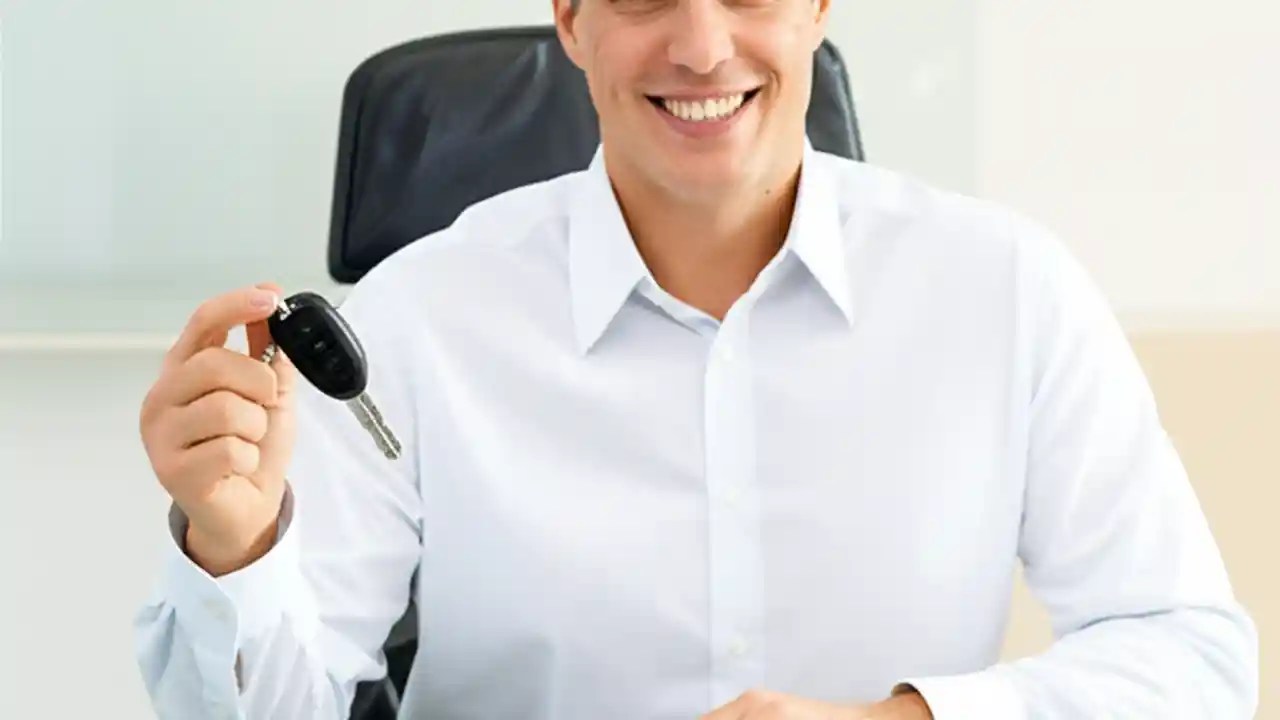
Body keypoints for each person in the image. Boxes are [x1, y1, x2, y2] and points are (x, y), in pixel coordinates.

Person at [132, 0, 1259, 717]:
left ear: (818, 6)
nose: (702, 44)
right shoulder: (416, 319)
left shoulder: (1006, 289)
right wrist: (236, 550)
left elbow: (1192, 660)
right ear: (571, 19)